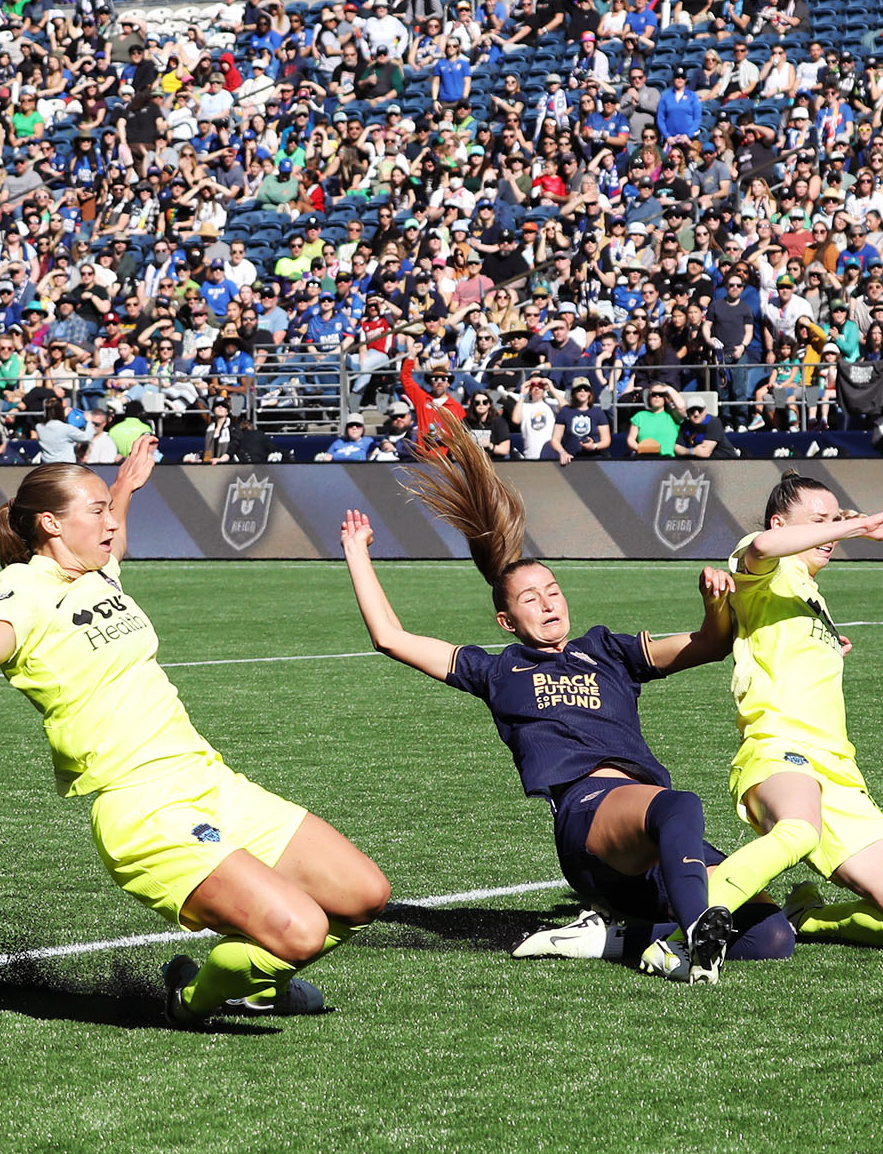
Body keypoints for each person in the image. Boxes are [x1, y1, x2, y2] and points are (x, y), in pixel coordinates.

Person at [0, 437, 390, 1025]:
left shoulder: (97, 573)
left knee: (363, 895)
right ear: (50, 524)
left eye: (108, 510)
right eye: (95, 511)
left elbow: (112, 534)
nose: (111, 522)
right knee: (300, 932)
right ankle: (189, 999)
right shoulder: (22, 586)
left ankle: (255, 984)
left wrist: (123, 487)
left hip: (205, 776)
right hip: (142, 809)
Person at [337, 415, 792, 982]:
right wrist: (357, 551)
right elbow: (391, 638)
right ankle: (695, 936)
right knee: (679, 804)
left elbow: (710, 645)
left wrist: (715, 602)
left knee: (772, 936)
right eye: (532, 598)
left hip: (652, 836)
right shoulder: (496, 668)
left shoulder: (607, 650)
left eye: (553, 590)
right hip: (590, 823)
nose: (550, 603)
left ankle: (612, 938)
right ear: (507, 620)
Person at [718, 474, 883, 949]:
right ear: (783, 522)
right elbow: (762, 545)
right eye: (819, 520)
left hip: (838, 769)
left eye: (835, 519)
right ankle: (684, 930)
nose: (831, 530)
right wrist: (855, 526)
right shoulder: (768, 567)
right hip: (780, 747)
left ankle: (804, 918)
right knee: (797, 831)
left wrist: (824, 648)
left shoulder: (808, 592)